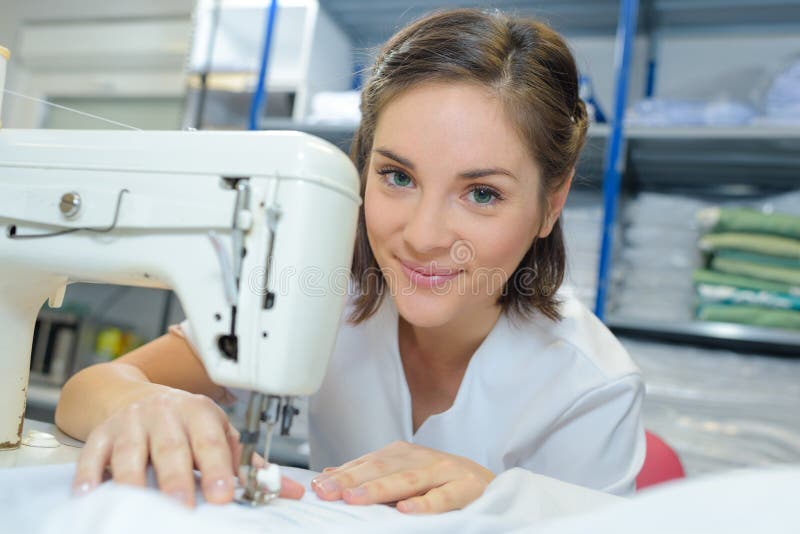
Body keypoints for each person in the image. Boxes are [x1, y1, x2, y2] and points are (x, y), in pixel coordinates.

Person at [55, 8, 645, 514]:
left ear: (552, 204)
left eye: (482, 193)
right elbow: (89, 388)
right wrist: (146, 405)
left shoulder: (592, 388)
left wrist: (502, 502)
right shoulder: (318, 292)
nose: (423, 236)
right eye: (397, 176)